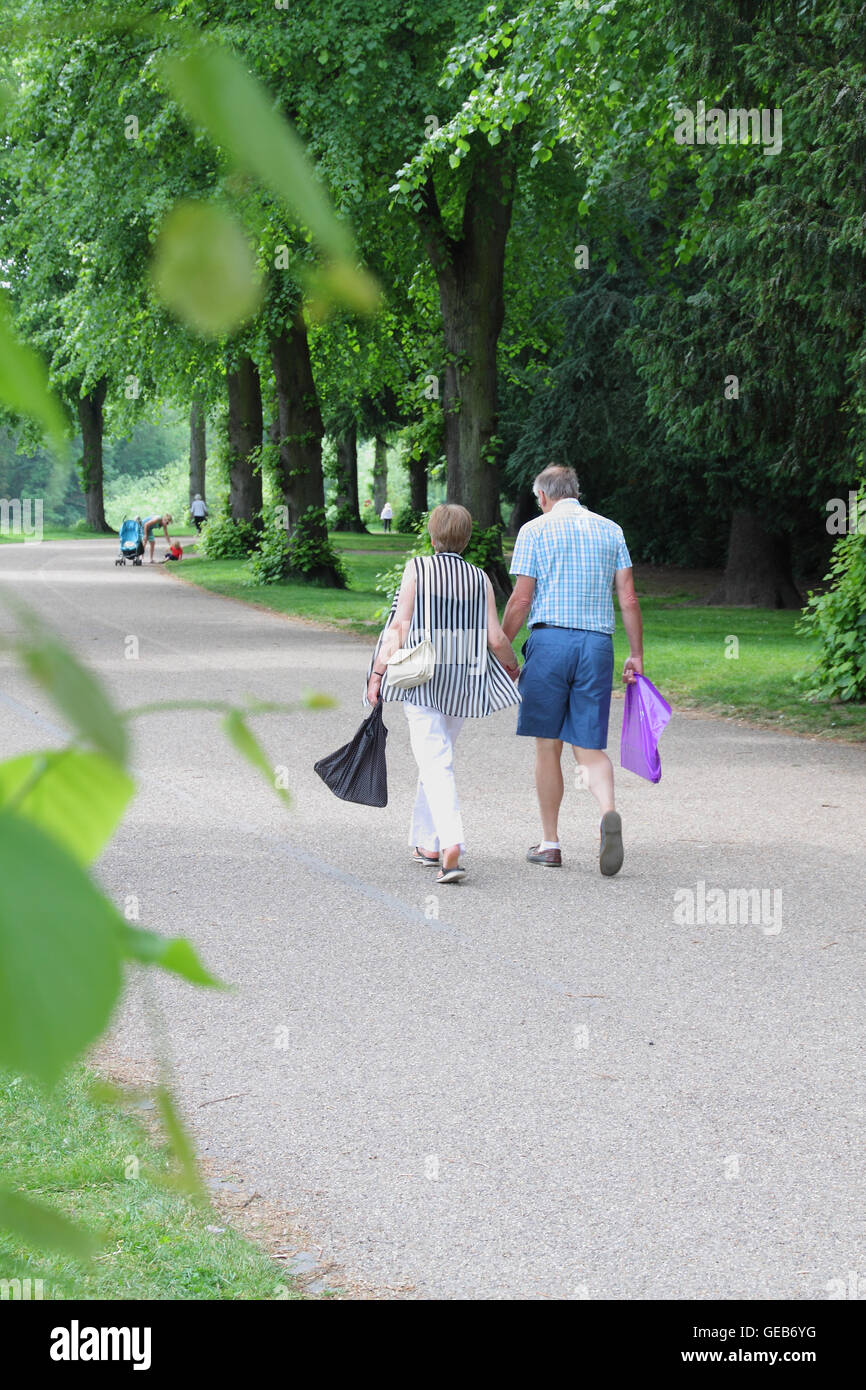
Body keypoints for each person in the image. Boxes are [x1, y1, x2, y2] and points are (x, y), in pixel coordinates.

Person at [502, 465, 643, 877]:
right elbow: (629, 597)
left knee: (548, 745)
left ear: (543, 496)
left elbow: (521, 600)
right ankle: (608, 812)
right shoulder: (611, 530)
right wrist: (635, 654)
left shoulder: (534, 530)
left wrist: (503, 650)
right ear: (575, 492)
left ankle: (550, 844)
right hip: (596, 645)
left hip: (549, 644)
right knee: (588, 746)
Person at [366, 504, 520, 884]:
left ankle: (452, 843)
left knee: (434, 761)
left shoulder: (418, 569)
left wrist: (377, 673)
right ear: (466, 539)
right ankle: (429, 844)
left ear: (433, 537)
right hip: (464, 680)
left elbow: (399, 627)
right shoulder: (480, 577)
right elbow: (496, 637)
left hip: (423, 678)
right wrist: (513, 668)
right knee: (437, 757)